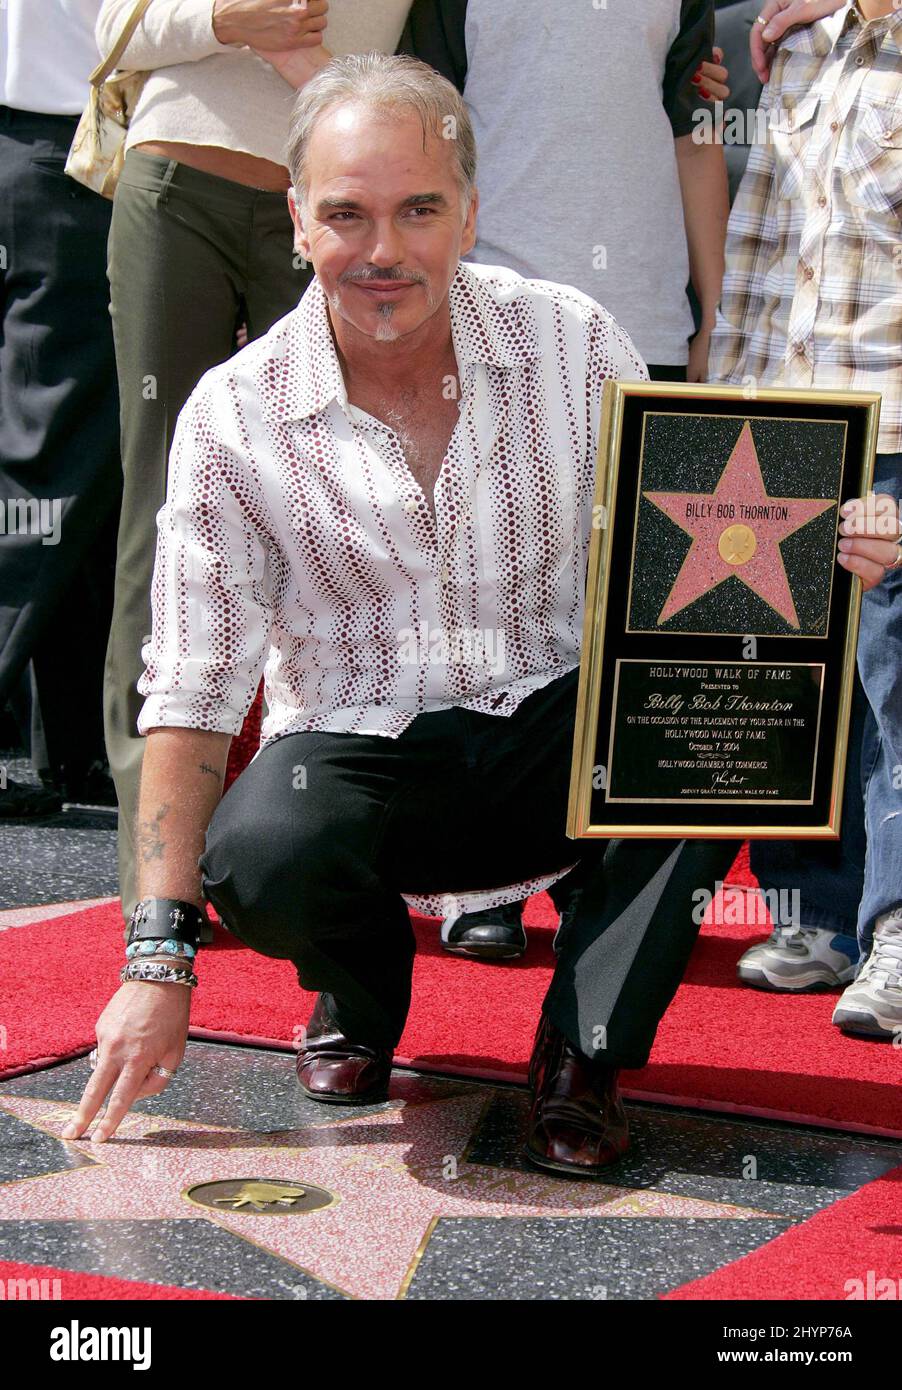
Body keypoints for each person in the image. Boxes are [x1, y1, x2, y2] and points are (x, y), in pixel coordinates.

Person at [62, 56, 892, 1174]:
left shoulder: (571, 339)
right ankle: (360, 991)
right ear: (297, 219)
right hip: (358, 765)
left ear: (470, 211)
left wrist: (823, 544)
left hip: (554, 739)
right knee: (258, 852)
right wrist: (156, 961)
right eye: (346, 214)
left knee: (707, 727)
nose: (384, 251)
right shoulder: (231, 413)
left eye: (419, 208)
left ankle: (580, 1052)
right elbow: (190, 691)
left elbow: (689, 547)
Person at [398, 0, 733, 959]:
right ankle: (478, 881)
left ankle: (603, 864)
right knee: (487, 597)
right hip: (492, 306)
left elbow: (693, 128)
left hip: (646, 320)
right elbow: (426, 130)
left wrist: (709, 308)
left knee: (636, 616)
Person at [97, 0, 413, 926]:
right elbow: (114, 32)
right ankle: (155, 875)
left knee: (331, 504)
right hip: (172, 188)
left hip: (334, 213)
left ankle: (309, 840)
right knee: (161, 517)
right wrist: (231, 21)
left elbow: (430, 71)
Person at [709, 0, 902, 1038]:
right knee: (787, 677)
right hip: (785, 421)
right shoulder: (796, 51)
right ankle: (814, 913)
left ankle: (895, 930)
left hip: (895, 422)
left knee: (892, 675)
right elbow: (756, 242)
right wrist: (720, 412)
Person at [0, 0, 122, 815]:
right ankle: (77, 748)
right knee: (50, 450)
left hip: (52, 136)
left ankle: (77, 749)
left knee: (81, 449)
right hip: (76, 137)